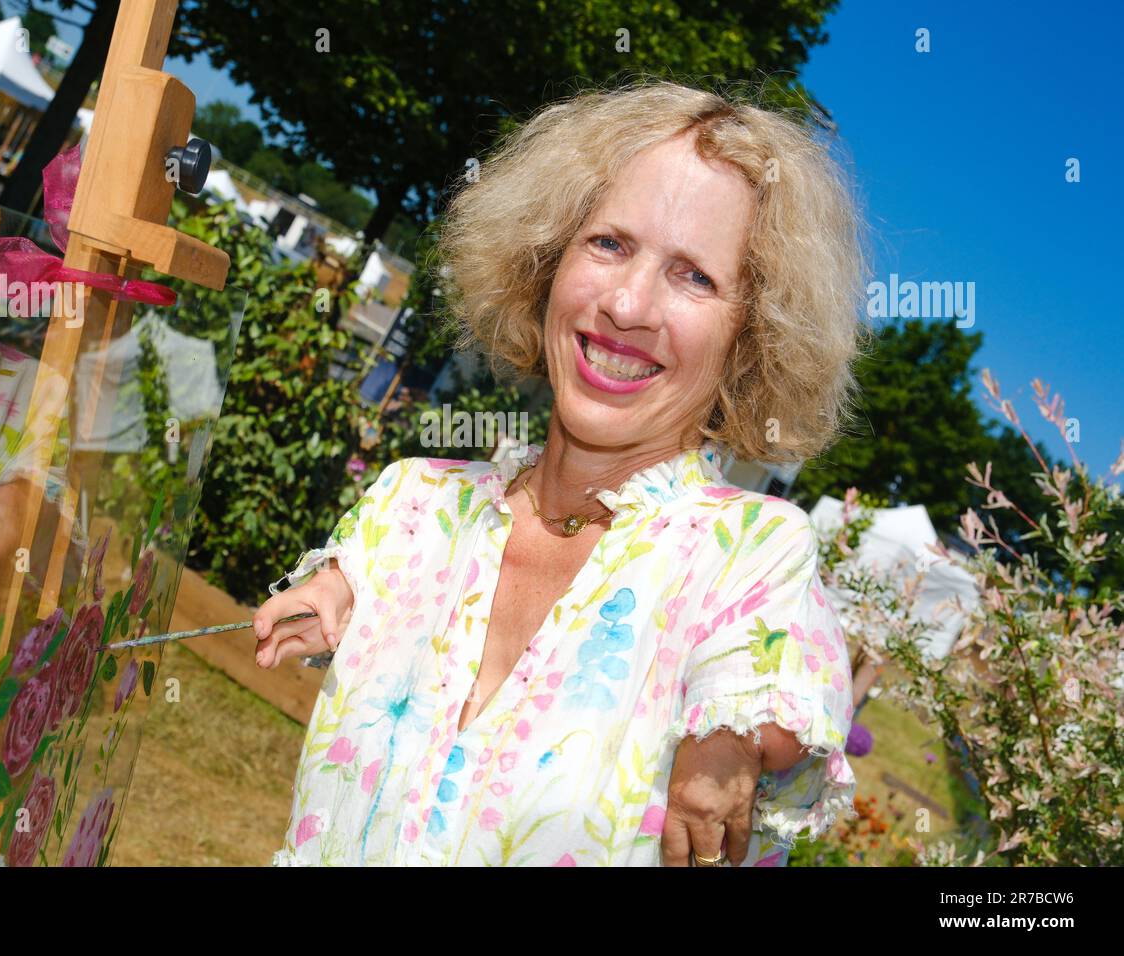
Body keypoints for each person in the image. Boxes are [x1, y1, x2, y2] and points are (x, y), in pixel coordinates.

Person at [255, 79, 868, 867]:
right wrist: (334, 597)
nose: (628, 303)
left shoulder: (750, 553)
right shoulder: (415, 503)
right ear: (545, 261)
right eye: (609, 243)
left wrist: (727, 743)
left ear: (749, 340)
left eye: (695, 276)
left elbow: (775, 700)